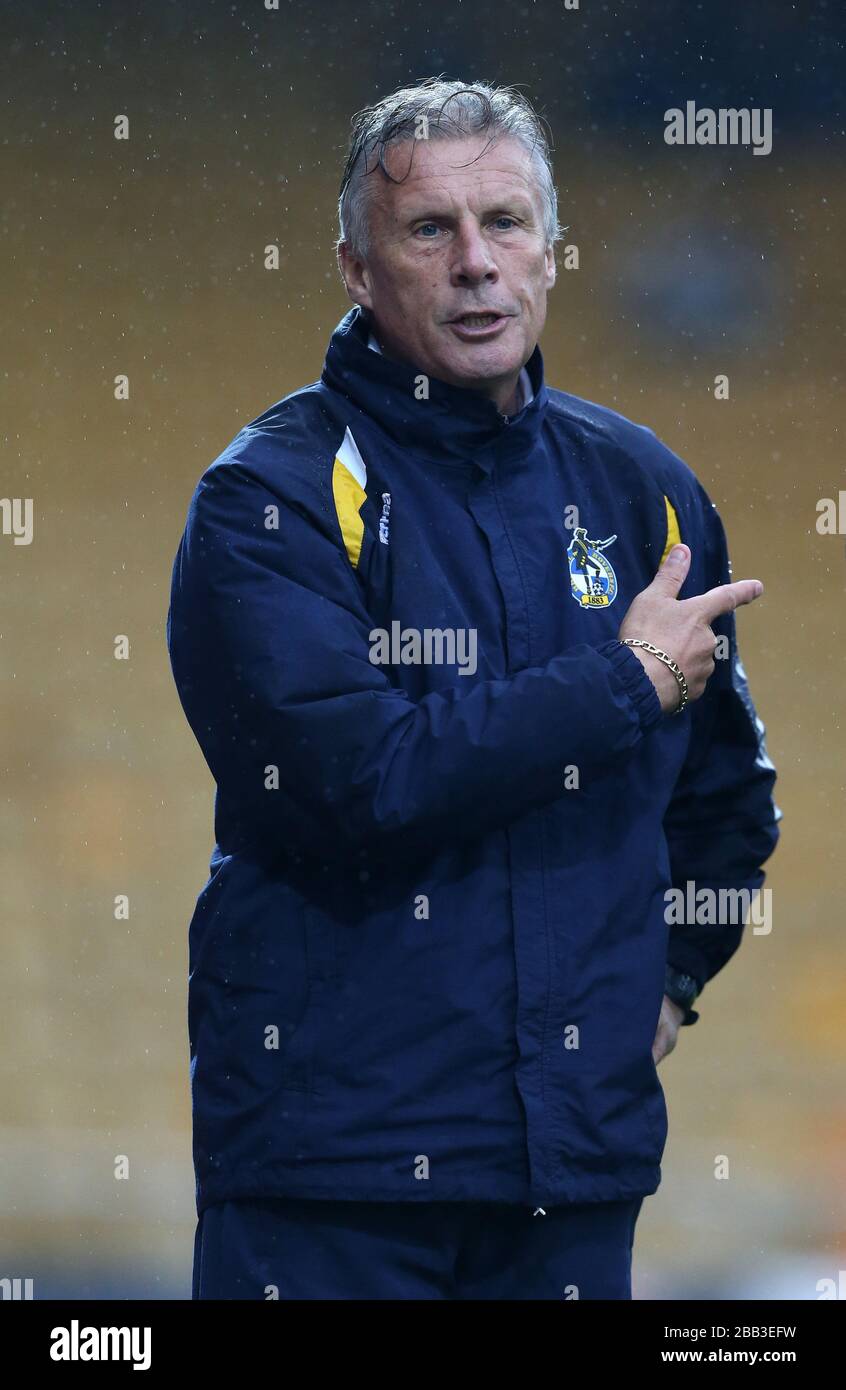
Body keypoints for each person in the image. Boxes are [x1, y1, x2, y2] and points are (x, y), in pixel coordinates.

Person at [168, 77, 780, 1300]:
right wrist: (622, 680)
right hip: (330, 1178)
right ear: (354, 267)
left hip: (568, 1177)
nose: (476, 266)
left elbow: (726, 808)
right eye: (428, 231)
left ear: (553, 251)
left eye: (506, 224)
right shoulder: (270, 496)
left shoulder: (644, 490)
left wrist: (669, 983)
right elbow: (358, 779)